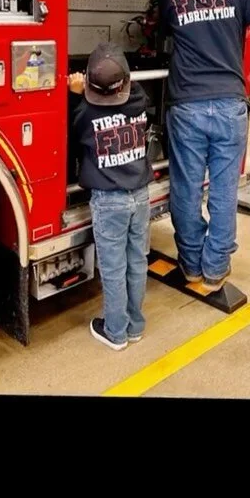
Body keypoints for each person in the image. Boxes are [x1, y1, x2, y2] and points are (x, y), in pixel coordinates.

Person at [158, 0, 250, 291]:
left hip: (187, 105)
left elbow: (162, 37)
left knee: (186, 188)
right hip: (228, 104)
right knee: (224, 190)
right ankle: (215, 268)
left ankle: (191, 265)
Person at [68, 42, 153, 350]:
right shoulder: (141, 100)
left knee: (114, 267)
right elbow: (133, 91)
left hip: (108, 202)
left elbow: (73, 132)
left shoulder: (86, 114)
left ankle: (115, 331)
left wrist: (74, 93)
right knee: (137, 261)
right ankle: (135, 325)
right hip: (141, 195)